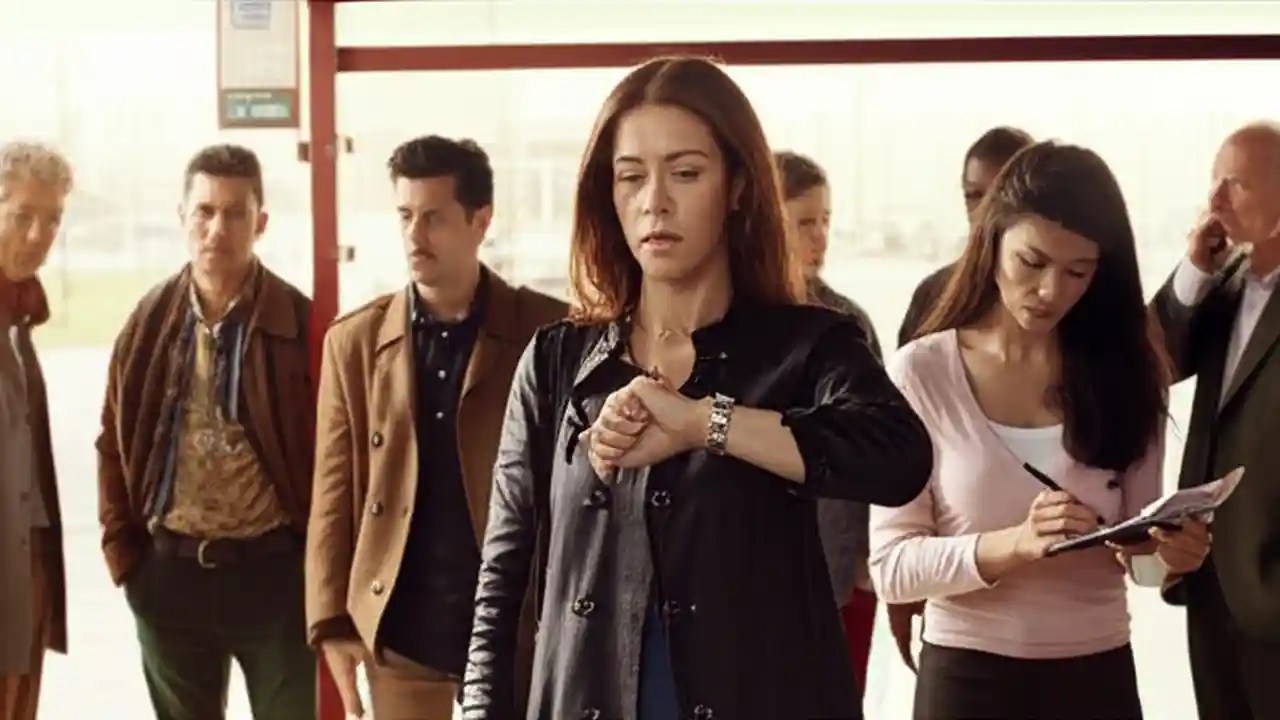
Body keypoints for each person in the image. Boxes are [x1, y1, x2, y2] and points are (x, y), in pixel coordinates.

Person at [461, 55, 933, 720]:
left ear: (737, 185)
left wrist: (700, 423)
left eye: (685, 173)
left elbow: (899, 458)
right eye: (631, 177)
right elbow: (502, 579)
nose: (655, 200)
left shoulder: (808, 344)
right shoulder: (557, 361)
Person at [868, 141, 1209, 719]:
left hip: (1096, 672)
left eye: (1078, 272)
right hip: (967, 675)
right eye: (1033, 263)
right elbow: (892, 569)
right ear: (991, 239)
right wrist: (1015, 545)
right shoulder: (922, 373)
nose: (1051, 291)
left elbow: (1139, 558)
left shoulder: (1129, 375)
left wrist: (1175, 556)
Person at [307, 136, 566, 720]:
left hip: (516, 622)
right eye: (404, 216)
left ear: (480, 220)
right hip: (402, 627)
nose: (414, 236)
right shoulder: (356, 342)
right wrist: (330, 621)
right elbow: (333, 488)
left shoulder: (545, 332)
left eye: (433, 218)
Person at [96, 144, 316, 720]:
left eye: (235, 212)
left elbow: (337, 458)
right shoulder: (147, 323)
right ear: (183, 217)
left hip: (276, 580)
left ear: (260, 222)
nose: (217, 228)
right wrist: (127, 559)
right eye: (205, 211)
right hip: (170, 579)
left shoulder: (299, 324)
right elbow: (109, 444)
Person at [1150, 120, 1280, 720]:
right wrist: (1193, 271)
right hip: (1208, 579)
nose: (1216, 201)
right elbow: (1150, 363)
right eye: (1214, 183)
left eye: (1237, 185)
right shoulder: (1221, 281)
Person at [773, 148, 882, 695]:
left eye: (826, 221)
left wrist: (869, 558)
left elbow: (878, 446)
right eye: (804, 223)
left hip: (840, 568)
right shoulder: (730, 319)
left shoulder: (849, 324)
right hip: (751, 578)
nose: (820, 238)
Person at [0, 141, 71, 720]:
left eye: (51, 219)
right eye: (21, 215)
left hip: (26, 568)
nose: (38, 234)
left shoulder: (19, 320)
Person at [896, 126, 1034, 348]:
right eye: (974, 196)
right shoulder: (933, 295)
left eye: (1001, 196)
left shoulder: (1059, 295)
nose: (984, 211)